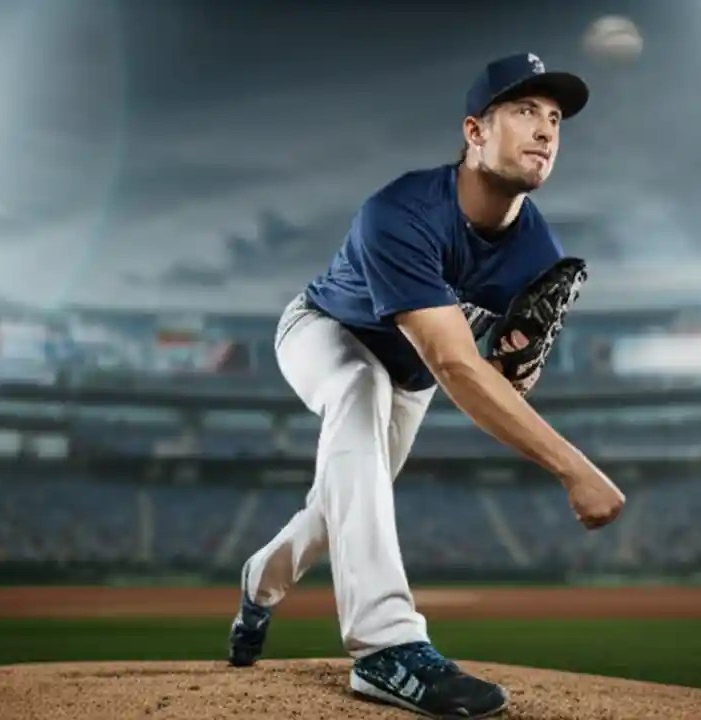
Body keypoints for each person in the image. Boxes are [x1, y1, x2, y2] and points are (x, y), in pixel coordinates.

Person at [228, 52, 626, 719]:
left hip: (409, 379)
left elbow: (496, 378)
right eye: (524, 110)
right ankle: (385, 645)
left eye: (555, 118)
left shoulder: (538, 255)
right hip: (326, 331)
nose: (545, 129)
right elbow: (454, 364)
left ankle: (258, 583)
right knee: (357, 387)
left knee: (341, 506)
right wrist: (572, 467)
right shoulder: (402, 211)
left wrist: (519, 368)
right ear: (474, 131)